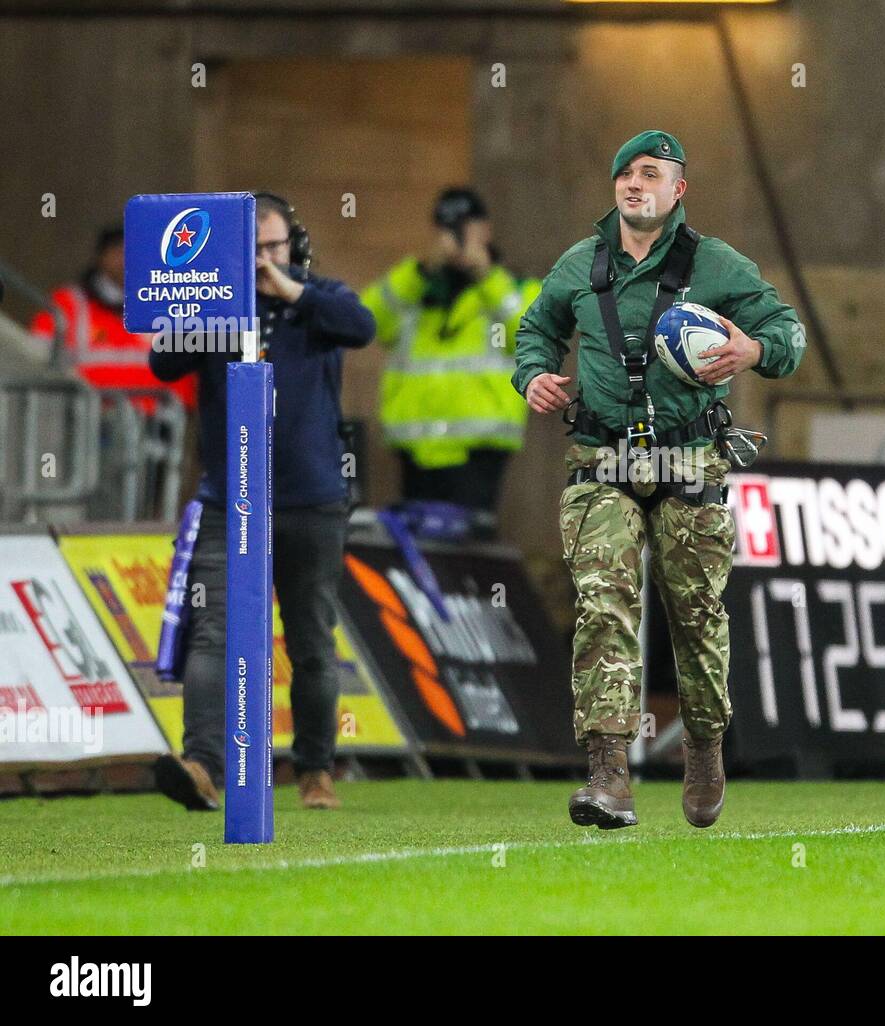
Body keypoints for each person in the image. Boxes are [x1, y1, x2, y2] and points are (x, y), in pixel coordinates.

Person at [513, 130, 804, 829]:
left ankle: (704, 746)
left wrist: (754, 347)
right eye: (625, 175)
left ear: (679, 192)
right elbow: (535, 331)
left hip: (689, 461)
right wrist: (533, 377)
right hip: (599, 460)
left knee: (696, 617)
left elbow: (788, 335)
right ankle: (609, 773)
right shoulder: (580, 264)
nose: (634, 184)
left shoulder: (718, 265)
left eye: (652, 174)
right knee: (602, 604)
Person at [148, 193, 376, 812]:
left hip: (311, 501)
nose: (263, 260)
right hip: (228, 498)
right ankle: (201, 765)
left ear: (293, 248)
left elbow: (363, 327)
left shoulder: (321, 302)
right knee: (213, 632)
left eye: (273, 247)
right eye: (251, 251)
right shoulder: (211, 308)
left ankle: (315, 771)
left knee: (309, 639)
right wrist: (210, 308)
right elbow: (163, 361)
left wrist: (290, 289)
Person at [362, 188, 540, 528]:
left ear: (485, 230)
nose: (456, 237)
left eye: (465, 226)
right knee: (418, 554)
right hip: (416, 451)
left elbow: (530, 334)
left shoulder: (515, 287)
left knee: (469, 554)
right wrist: (420, 270)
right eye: (447, 228)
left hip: (478, 452)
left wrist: (486, 275)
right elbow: (365, 321)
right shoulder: (416, 286)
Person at [30, 224, 196, 412]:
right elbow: (37, 360)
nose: (125, 259)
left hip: (153, 426)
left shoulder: (171, 305)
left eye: (134, 251)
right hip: (82, 422)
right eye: (118, 251)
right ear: (101, 257)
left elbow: (182, 370)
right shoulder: (68, 303)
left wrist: (178, 409)